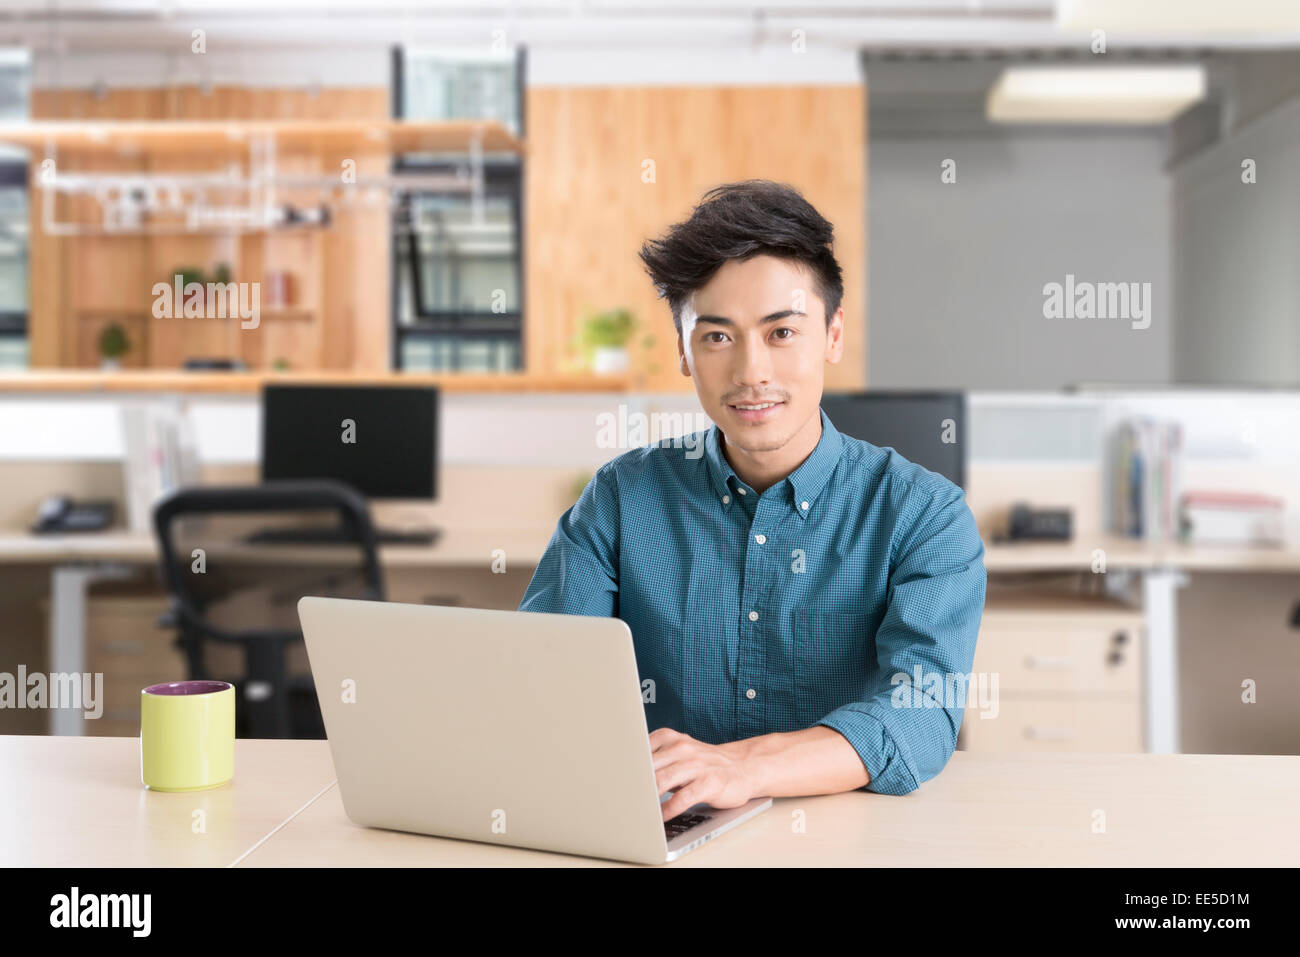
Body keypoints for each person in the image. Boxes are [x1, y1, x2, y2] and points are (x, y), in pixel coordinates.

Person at [520, 179, 986, 820]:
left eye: (782, 332)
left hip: (846, 837)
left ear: (832, 335)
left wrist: (743, 767)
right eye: (717, 337)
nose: (751, 372)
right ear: (685, 351)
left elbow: (920, 715)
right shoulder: (622, 499)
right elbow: (546, 680)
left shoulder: (923, 515)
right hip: (659, 836)